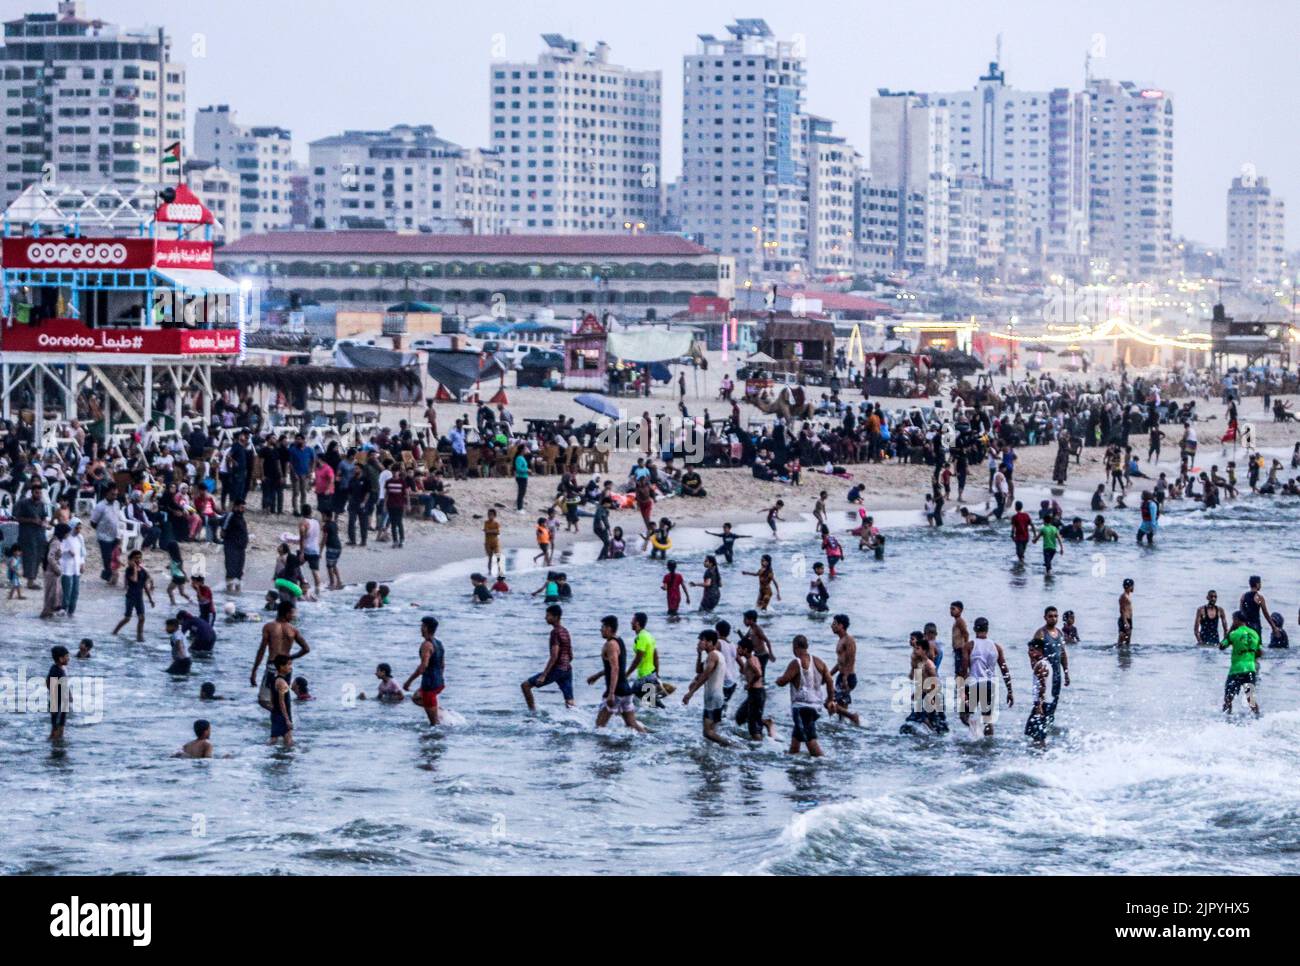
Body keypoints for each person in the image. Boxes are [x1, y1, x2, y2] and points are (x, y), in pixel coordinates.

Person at [775, 635, 836, 757]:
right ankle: (792, 761)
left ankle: (825, 765)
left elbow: (783, 682)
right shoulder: (819, 662)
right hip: (816, 708)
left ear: (795, 647)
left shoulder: (796, 663)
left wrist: (778, 679)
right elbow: (829, 681)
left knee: (810, 741)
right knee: (796, 739)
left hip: (801, 708)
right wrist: (830, 700)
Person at [592, 614, 647, 733]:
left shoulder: (611, 644)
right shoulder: (619, 641)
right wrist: (597, 675)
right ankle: (654, 741)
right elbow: (616, 667)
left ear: (609, 628)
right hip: (625, 691)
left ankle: (604, 751)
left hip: (616, 692)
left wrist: (611, 693)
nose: (600, 629)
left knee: (598, 727)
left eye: (603, 627)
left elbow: (615, 668)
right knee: (632, 725)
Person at [964, 617, 1014, 737]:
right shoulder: (996, 647)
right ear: (987, 629)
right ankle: (988, 745)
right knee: (987, 720)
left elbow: (963, 669)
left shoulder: (969, 646)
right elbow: (1004, 670)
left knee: (964, 715)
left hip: (974, 684)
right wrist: (1010, 691)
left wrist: (962, 689)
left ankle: (975, 732)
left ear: (974, 629)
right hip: (990, 685)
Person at [250, 601, 311, 699]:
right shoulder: (293, 629)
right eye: (292, 613)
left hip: (272, 666)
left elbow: (261, 650)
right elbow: (306, 649)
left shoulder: (269, 627)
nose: (293, 616)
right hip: (287, 667)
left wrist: (254, 671)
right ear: (286, 613)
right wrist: (290, 657)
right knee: (283, 697)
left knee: (265, 698)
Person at [682, 629, 731, 747]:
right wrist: (699, 654)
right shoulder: (714, 655)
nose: (699, 642)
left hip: (712, 697)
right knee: (713, 732)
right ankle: (718, 753)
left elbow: (705, 675)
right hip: (717, 697)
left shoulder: (713, 655)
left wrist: (691, 693)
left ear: (710, 642)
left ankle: (732, 746)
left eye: (702, 640)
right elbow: (699, 670)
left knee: (707, 732)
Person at [521, 604, 574, 710]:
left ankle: (533, 713)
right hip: (567, 668)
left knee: (525, 686)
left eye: (548, 615)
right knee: (569, 700)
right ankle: (575, 720)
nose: (545, 618)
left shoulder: (555, 632)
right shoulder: (565, 631)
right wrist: (564, 664)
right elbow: (571, 654)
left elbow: (554, 656)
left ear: (556, 617)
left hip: (558, 669)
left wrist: (544, 675)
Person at [403, 616, 445, 725]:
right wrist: (439, 678)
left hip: (429, 686)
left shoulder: (427, 645)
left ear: (426, 628)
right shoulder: (439, 643)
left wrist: (408, 681)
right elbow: (442, 665)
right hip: (438, 683)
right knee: (416, 697)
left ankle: (435, 736)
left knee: (434, 724)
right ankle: (438, 710)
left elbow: (423, 667)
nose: (420, 628)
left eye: (422, 626)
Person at [1219, 611, 1262, 717]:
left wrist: (1230, 630)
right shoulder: (1255, 633)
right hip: (1250, 669)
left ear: (1236, 620)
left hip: (1236, 670)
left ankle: (1226, 720)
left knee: (1228, 699)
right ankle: (1258, 718)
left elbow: (1222, 646)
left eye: (1233, 620)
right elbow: (1259, 652)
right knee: (1251, 699)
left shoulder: (1234, 634)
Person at [826, 614, 861, 726]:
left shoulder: (849, 640)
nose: (832, 626)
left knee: (828, 702)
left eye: (834, 624)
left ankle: (853, 717)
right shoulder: (841, 640)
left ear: (841, 626)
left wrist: (845, 678)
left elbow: (851, 660)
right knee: (841, 708)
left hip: (848, 677)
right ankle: (843, 730)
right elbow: (840, 662)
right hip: (841, 677)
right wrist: (828, 674)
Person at [89, 484, 122, 584]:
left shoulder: (117, 503)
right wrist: (101, 530)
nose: (115, 496)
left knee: (115, 557)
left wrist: (119, 535)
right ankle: (108, 577)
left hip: (115, 535)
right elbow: (93, 522)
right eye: (113, 494)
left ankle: (109, 576)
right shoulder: (100, 506)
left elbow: (117, 519)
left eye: (116, 494)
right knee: (107, 558)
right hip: (104, 537)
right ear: (107, 493)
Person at [1024, 640, 1051, 747]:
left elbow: (1042, 685)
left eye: (1031, 650)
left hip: (1041, 703)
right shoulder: (1044, 663)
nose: (1029, 653)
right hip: (1044, 702)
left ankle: (1040, 753)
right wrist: (1031, 656)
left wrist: (1039, 705)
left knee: (1038, 733)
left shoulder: (1041, 665)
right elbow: (1034, 668)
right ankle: (1038, 750)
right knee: (1034, 730)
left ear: (1040, 650)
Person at [268, 654, 295, 747]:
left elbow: (271, 698)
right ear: (281, 666)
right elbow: (282, 702)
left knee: (275, 739)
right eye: (288, 665)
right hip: (283, 714)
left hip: (276, 713)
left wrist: (274, 711)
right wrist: (287, 719)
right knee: (288, 740)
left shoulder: (274, 679)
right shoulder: (282, 683)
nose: (290, 667)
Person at [46, 645, 71, 741]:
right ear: (61, 659)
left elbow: (47, 681)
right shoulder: (58, 671)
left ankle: (57, 744)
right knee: (56, 727)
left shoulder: (55, 668)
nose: (68, 659)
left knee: (60, 725)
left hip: (59, 703)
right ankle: (54, 744)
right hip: (58, 704)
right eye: (67, 656)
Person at [483, 508, 501, 573]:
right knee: (490, 558)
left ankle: (499, 572)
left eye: (491, 515)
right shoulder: (486, 523)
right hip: (488, 543)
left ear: (494, 516)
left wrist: (490, 531)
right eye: (488, 514)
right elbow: (486, 531)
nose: (489, 516)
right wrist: (493, 531)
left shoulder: (496, 523)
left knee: (498, 557)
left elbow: (498, 532)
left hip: (495, 543)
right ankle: (490, 571)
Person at [1117, 578, 1134, 647]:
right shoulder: (1123, 596)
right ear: (1129, 587)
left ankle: (1126, 655)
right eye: (1132, 586)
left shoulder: (1127, 596)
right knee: (1121, 641)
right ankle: (1120, 654)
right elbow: (1122, 610)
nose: (1133, 588)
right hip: (1125, 620)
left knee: (1127, 641)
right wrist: (1125, 622)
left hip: (1128, 620)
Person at [514, 447, 530, 512]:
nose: (527, 450)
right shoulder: (519, 458)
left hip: (524, 477)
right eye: (526, 449)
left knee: (522, 492)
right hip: (521, 477)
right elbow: (519, 468)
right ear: (522, 450)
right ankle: (519, 508)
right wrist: (527, 470)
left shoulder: (522, 457)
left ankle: (520, 507)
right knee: (521, 492)